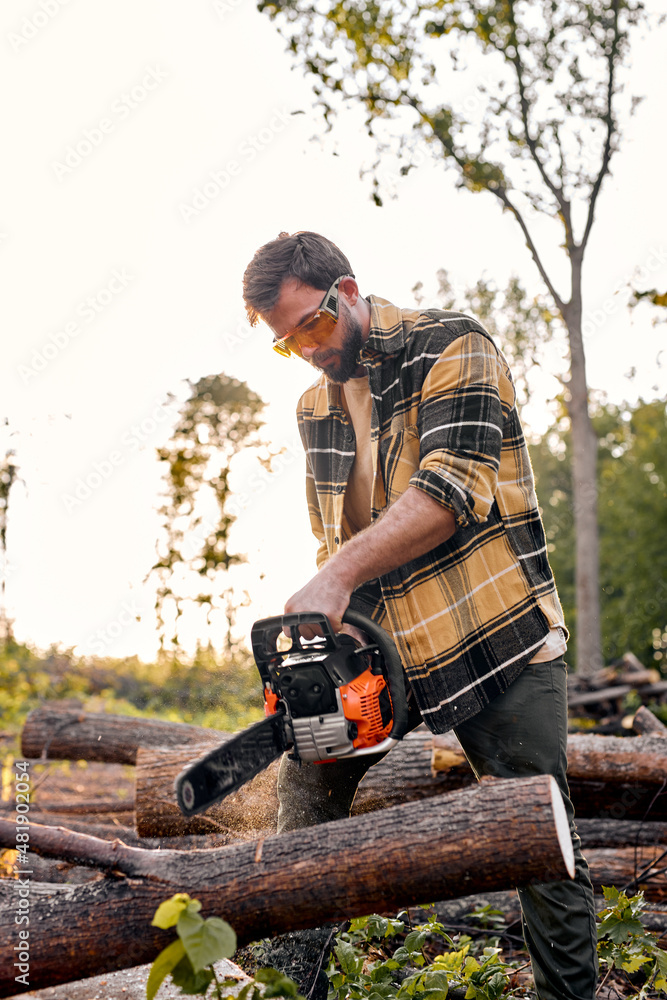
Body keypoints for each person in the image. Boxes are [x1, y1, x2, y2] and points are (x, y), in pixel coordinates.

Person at [242, 230, 598, 1000]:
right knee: (306, 791)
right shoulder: (314, 408)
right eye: (286, 342)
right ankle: (280, 986)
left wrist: (333, 577)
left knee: (536, 830)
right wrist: (331, 636)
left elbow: (449, 496)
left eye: (313, 325)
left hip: (491, 629)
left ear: (347, 289)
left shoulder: (451, 345)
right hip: (389, 642)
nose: (306, 348)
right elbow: (339, 538)